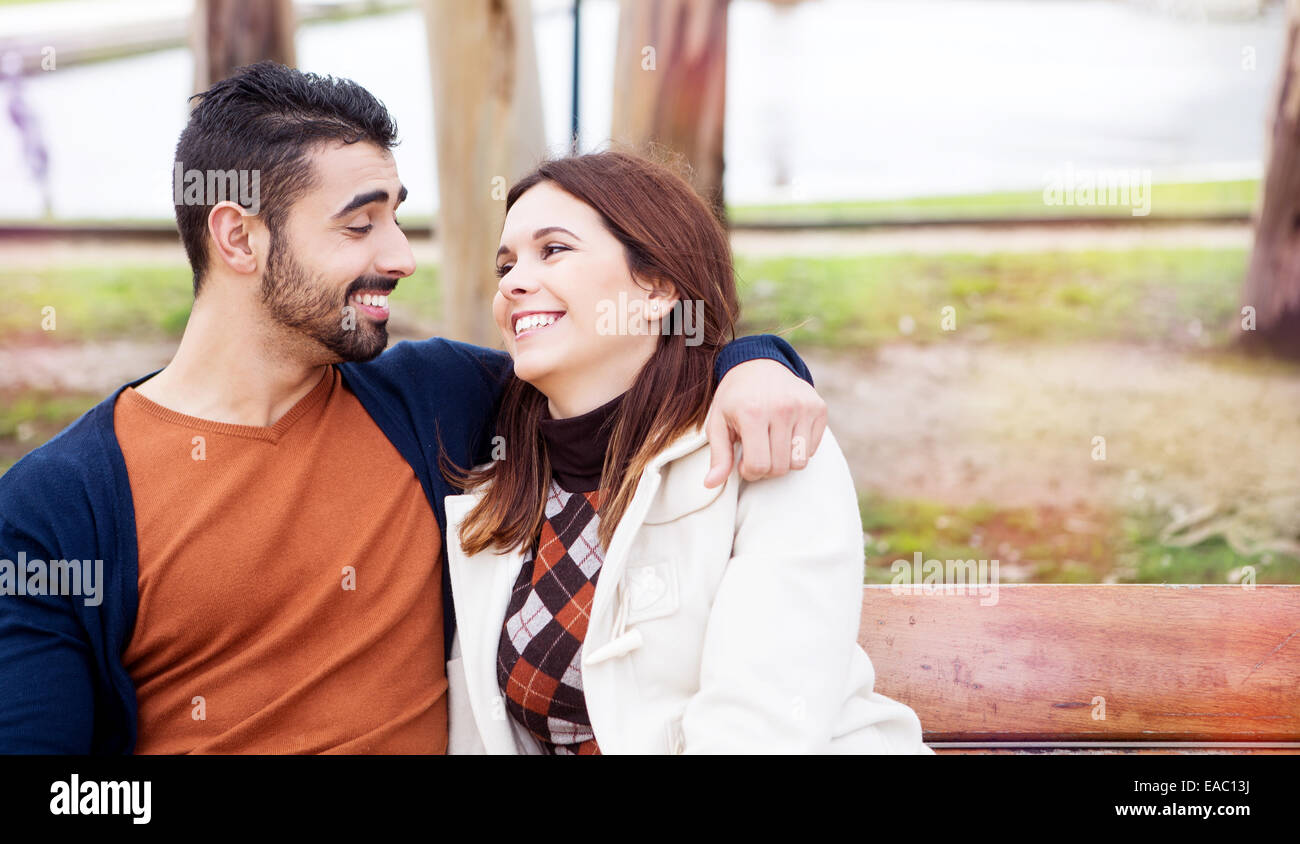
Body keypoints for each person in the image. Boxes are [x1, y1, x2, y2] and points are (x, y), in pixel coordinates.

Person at [0, 63, 828, 754]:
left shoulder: (433, 401)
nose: (400, 257)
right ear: (239, 238)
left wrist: (756, 364)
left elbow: (632, 370)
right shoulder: (61, 504)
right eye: (360, 226)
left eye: (397, 218)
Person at [441, 150, 934, 754]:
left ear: (656, 287)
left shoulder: (764, 444)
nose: (514, 282)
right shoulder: (500, 486)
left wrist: (756, 357)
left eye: (554, 250)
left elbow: (757, 733)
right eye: (505, 263)